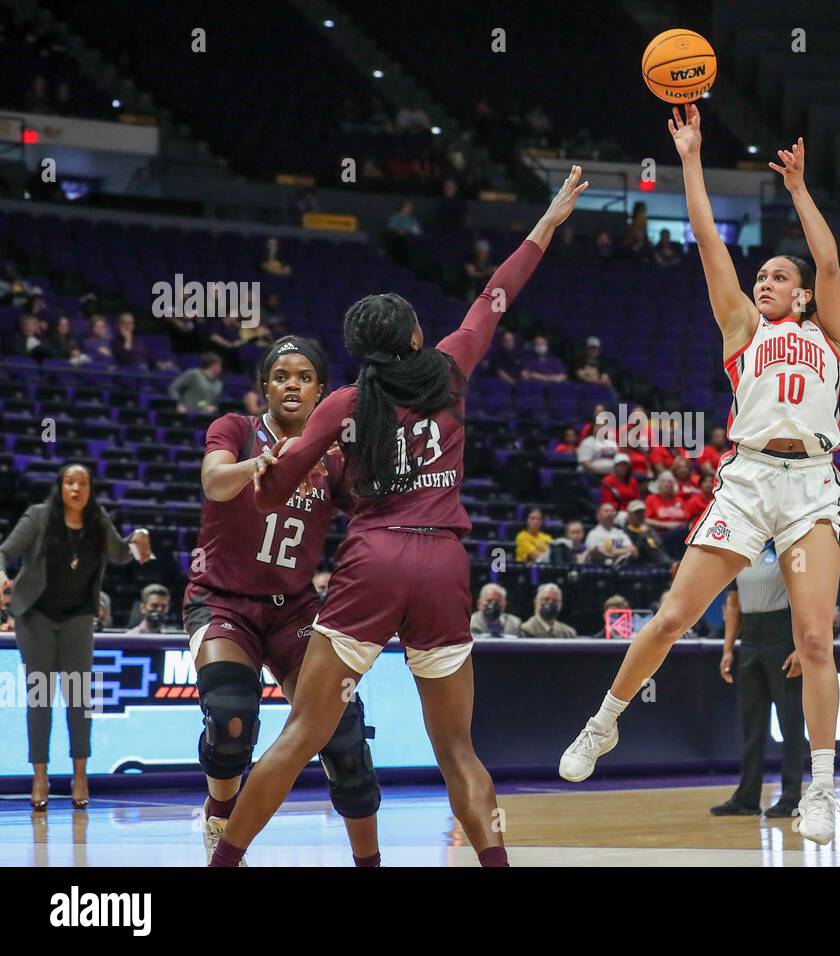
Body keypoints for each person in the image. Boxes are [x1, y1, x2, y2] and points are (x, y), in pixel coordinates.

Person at [206, 165, 587, 868]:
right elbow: (495, 296)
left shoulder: (341, 404)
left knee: (299, 737)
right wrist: (548, 221)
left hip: (372, 563)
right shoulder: (449, 370)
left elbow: (267, 494)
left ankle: (221, 863)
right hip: (442, 563)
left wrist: (271, 470)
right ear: (412, 339)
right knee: (459, 754)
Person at [558, 111, 840, 845]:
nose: (767, 280)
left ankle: (820, 790)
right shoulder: (744, 331)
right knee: (671, 617)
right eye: (764, 276)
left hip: (811, 486)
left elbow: (831, 260)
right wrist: (689, 160)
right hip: (749, 481)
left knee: (814, 640)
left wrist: (801, 190)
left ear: (805, 296)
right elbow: (708, 242)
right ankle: (603, 725)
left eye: (781, 276)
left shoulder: (827, 334)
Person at [182, 336, 384, 866]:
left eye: (304, 376)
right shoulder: (236, 430)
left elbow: (371, 513)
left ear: (321, 390)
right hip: (223, 602)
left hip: (294, 608)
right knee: (230, 719)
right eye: (280, 375)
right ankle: (219, 822)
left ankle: (370, 862)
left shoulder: (334, 459)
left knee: (344, 736)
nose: (292, 383)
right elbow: (213, 482)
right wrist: (257, 468)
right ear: (264, 387)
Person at [0, 464, 152, 810]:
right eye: (70, 482)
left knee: (79, 698)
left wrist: (139, 540)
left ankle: (79, 774)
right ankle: (40, 776)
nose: (76, 488)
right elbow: (5, 551)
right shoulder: (38, 517)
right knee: (39, 696)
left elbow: (121, 553)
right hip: (36, 615)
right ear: (61, 486)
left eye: (83, 483)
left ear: (90, 489)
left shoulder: (97, 521)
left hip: (79, 617)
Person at [713, 542, 805, 818]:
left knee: (790, 720)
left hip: (782, 634)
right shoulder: (745, 552)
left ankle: (791, 797)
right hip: (750, 637)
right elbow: (733, 603)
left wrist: (800, 647)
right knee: (751, 721)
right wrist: (728, 649)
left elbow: (804, 599)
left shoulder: (789, 550)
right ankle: (747, 798)